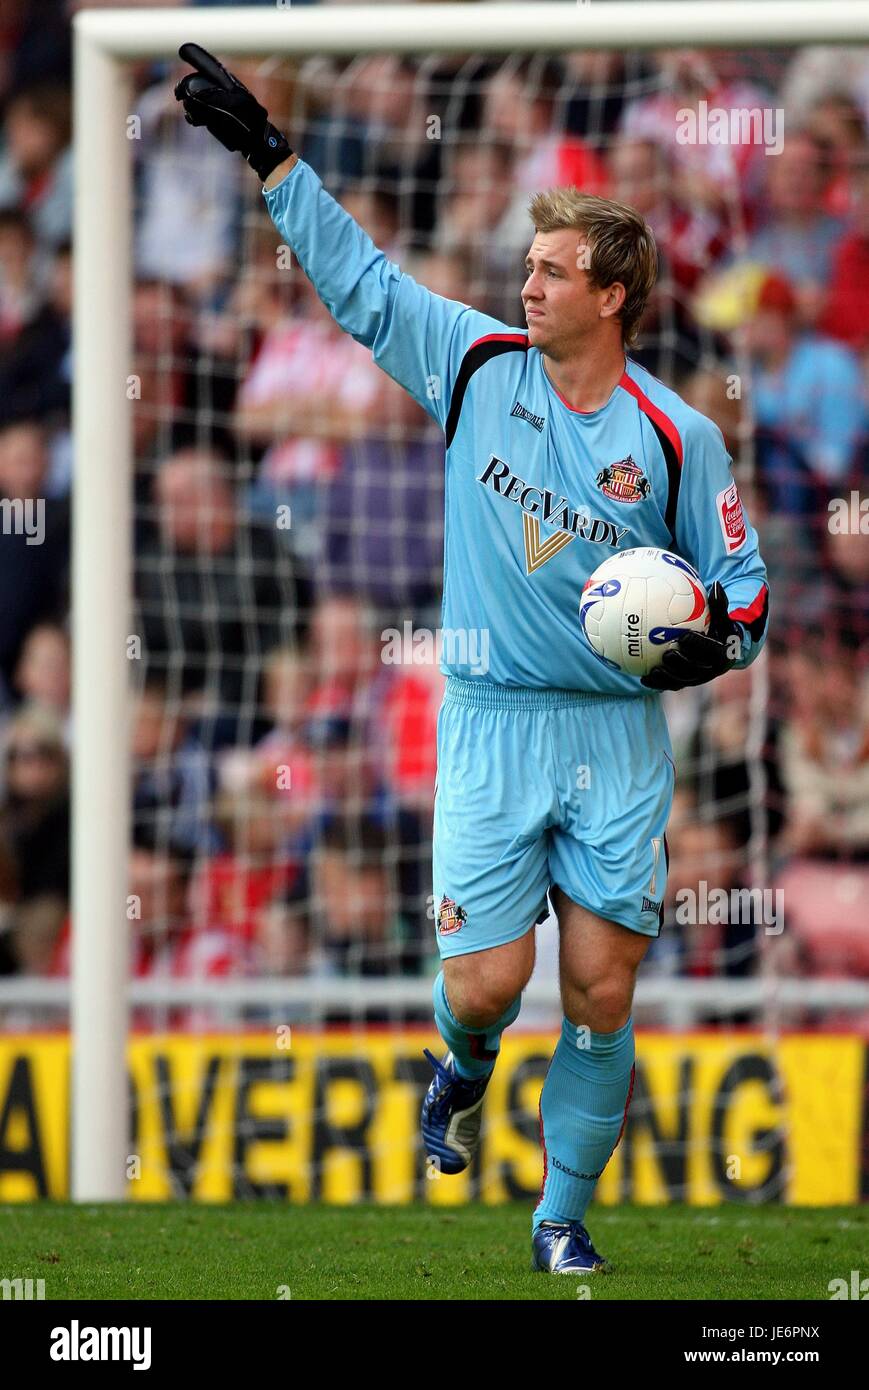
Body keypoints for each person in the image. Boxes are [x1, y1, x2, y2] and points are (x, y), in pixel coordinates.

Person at [175, 47, 770, 1275]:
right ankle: (460, 1060)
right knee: (493, 983)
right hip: (492, 722)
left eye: (552, 272)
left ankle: (559, 1217)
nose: (526, 285)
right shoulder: (477, 362)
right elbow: (362, 282)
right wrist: (272, 158)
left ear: (612, 296)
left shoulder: (677, 438)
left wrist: (701, 637)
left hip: (613, 734)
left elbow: (747, 600)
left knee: (600, 991)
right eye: (526, 267)